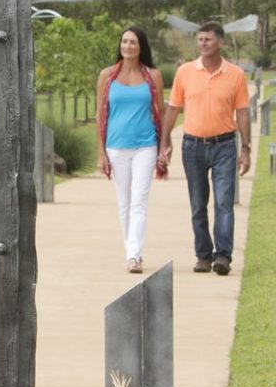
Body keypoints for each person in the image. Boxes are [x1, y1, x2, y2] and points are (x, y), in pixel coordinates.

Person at [162, 21, 252, 275]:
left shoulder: (235, 74)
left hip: (225, 145)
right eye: (200, 39)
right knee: (197, 204)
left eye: (208, 39)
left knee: (224, 202)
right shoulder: (185, 72)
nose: (203, 43)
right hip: (192, 147)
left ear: (220, 42)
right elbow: (173, 108)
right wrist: (165, 140)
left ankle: (222, 256)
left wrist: (245, 148)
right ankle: (203, 255)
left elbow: (243, 113)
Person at [96, 26, 166, 273]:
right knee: (124, 203)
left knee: (139, 201)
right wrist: (101, 152)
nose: (127, 46)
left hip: (145, 145)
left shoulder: (153, 75)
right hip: (116, 146)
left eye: (133, 42)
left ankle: (133, 256)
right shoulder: (107, 76)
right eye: (124, 42)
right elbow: (99, 114)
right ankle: (132, 251)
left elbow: (161, 112)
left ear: (141, 47)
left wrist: (164, 145)